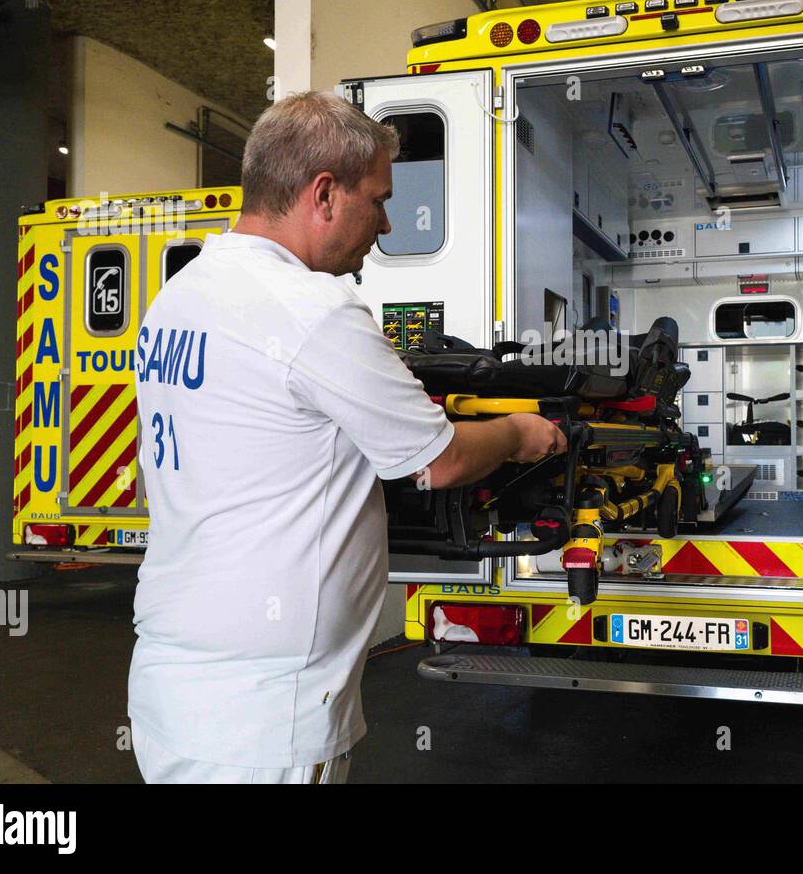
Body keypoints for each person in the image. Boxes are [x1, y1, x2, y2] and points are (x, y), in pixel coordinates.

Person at [128, 91, 565, 783]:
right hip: (263, 716)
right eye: (379, 199)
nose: (386, 223)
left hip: (175, 686)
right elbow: (442, 460)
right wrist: (517, 432)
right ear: (325, 194)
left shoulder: (177, 298)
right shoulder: (312, 308)